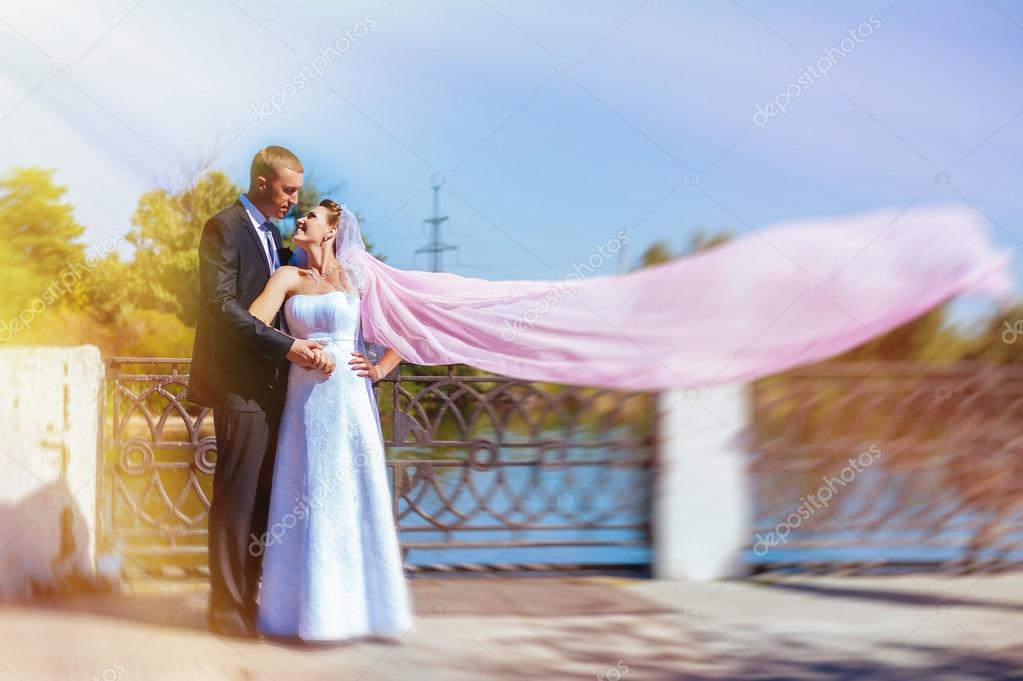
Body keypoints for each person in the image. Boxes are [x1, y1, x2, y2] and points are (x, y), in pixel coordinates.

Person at [247, 199, 414, 642]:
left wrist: (379, 369)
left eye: (311, 218)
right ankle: (305, 614)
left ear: (331, 232)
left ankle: (366, 614)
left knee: (353, 493)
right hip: (304, 400)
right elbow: (253, 325)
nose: (300, 220)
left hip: (351, 400)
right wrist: (292, 347)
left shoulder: (358, 278)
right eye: (301, 216)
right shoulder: (287, 277)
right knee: (309, 492)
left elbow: (404, 329)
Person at [187, 146, 334, 639]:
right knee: (236, 497)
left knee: (264, 498)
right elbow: (219, 308)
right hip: (238, 385)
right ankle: (224, 608)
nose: (295, 198)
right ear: (261, 181)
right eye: (289, 189)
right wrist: (287, 347)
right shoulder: (223, 227)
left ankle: (252, 600)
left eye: (297, 190)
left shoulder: (272, 234)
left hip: (275, 389)